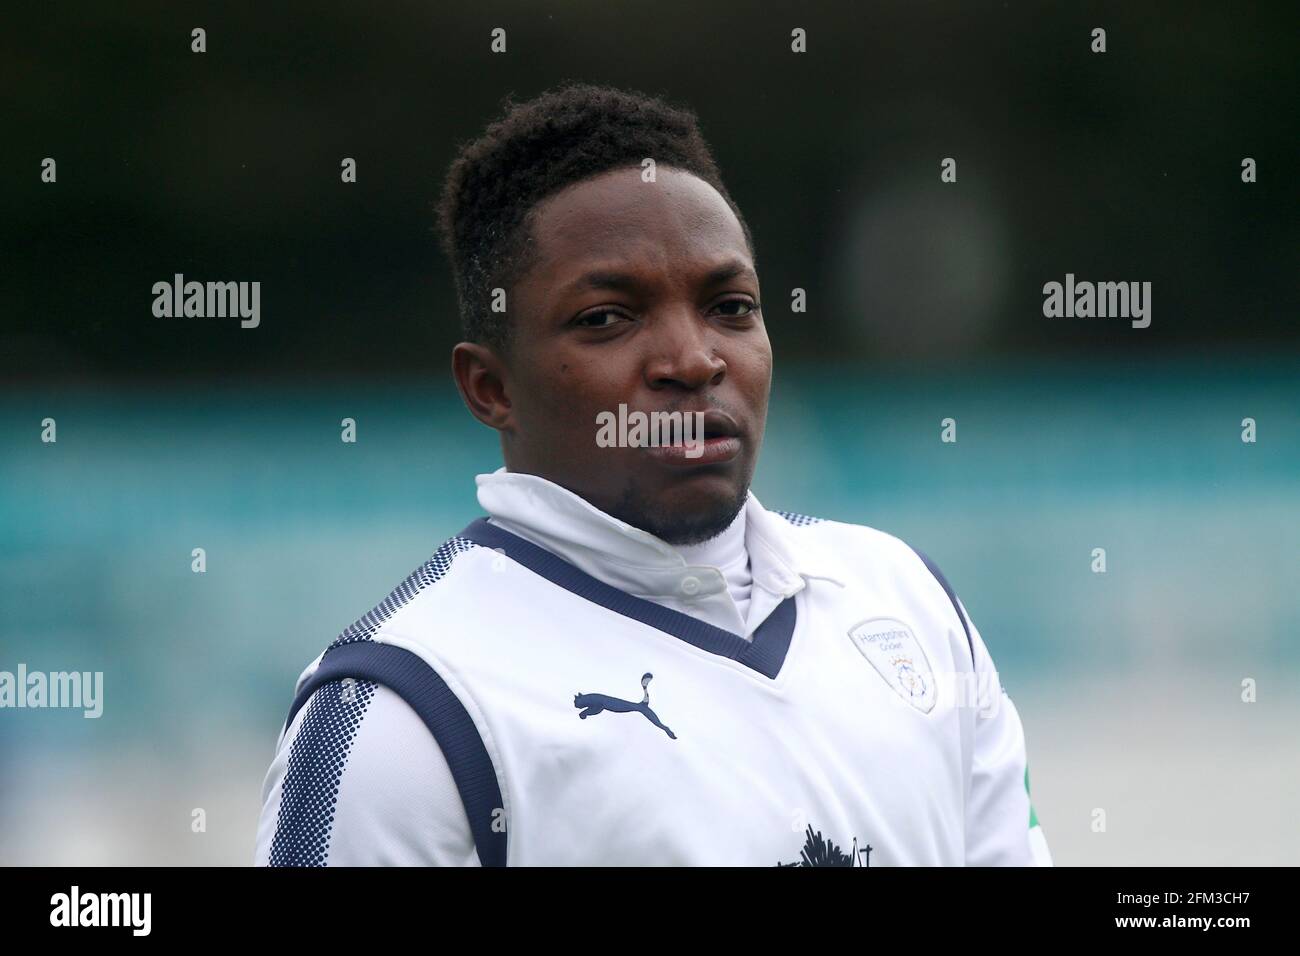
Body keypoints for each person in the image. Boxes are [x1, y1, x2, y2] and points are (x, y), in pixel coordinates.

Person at [254, 82, 1051, 866]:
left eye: (730, 307)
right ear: (492, 389)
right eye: (607, 318)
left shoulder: (907, 601)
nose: (695, 359)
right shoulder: (406, 711)